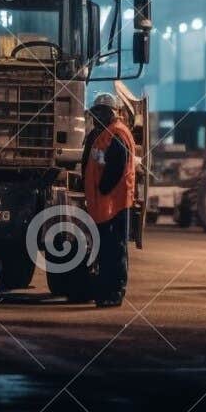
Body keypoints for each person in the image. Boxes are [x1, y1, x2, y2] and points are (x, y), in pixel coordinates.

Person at [82, 93, 136, 308]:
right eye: (95, 112)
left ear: (111, 113)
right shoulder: (102, 134)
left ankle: (114, 293)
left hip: (115, 202)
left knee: (115, 250)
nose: (97, 116)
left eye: (101, 112)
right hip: (104, 204)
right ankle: (105, 291)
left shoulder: (117, 134)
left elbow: (116, 167)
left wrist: (103, 188)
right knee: (106, 250)